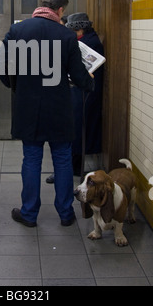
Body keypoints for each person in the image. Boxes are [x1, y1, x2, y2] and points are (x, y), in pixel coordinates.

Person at [0, 0, 94, 227]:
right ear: (60, 10)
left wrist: (16, 84)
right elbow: (79, 76)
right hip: (59, 108)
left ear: (42, 5)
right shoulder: (67, 36)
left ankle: (29, 214)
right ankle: (66, 214)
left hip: (28, 108)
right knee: (61, 159)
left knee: (31, 159)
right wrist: (89, 82)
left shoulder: (18, 30)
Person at [46, 12, 104, 182]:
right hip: (80, 92)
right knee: (76, 131)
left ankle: (68, 170)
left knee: (75, 132)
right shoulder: (86, 40)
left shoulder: (89, 43)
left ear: (79, 29)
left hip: (84, 94)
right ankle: (73, 168)